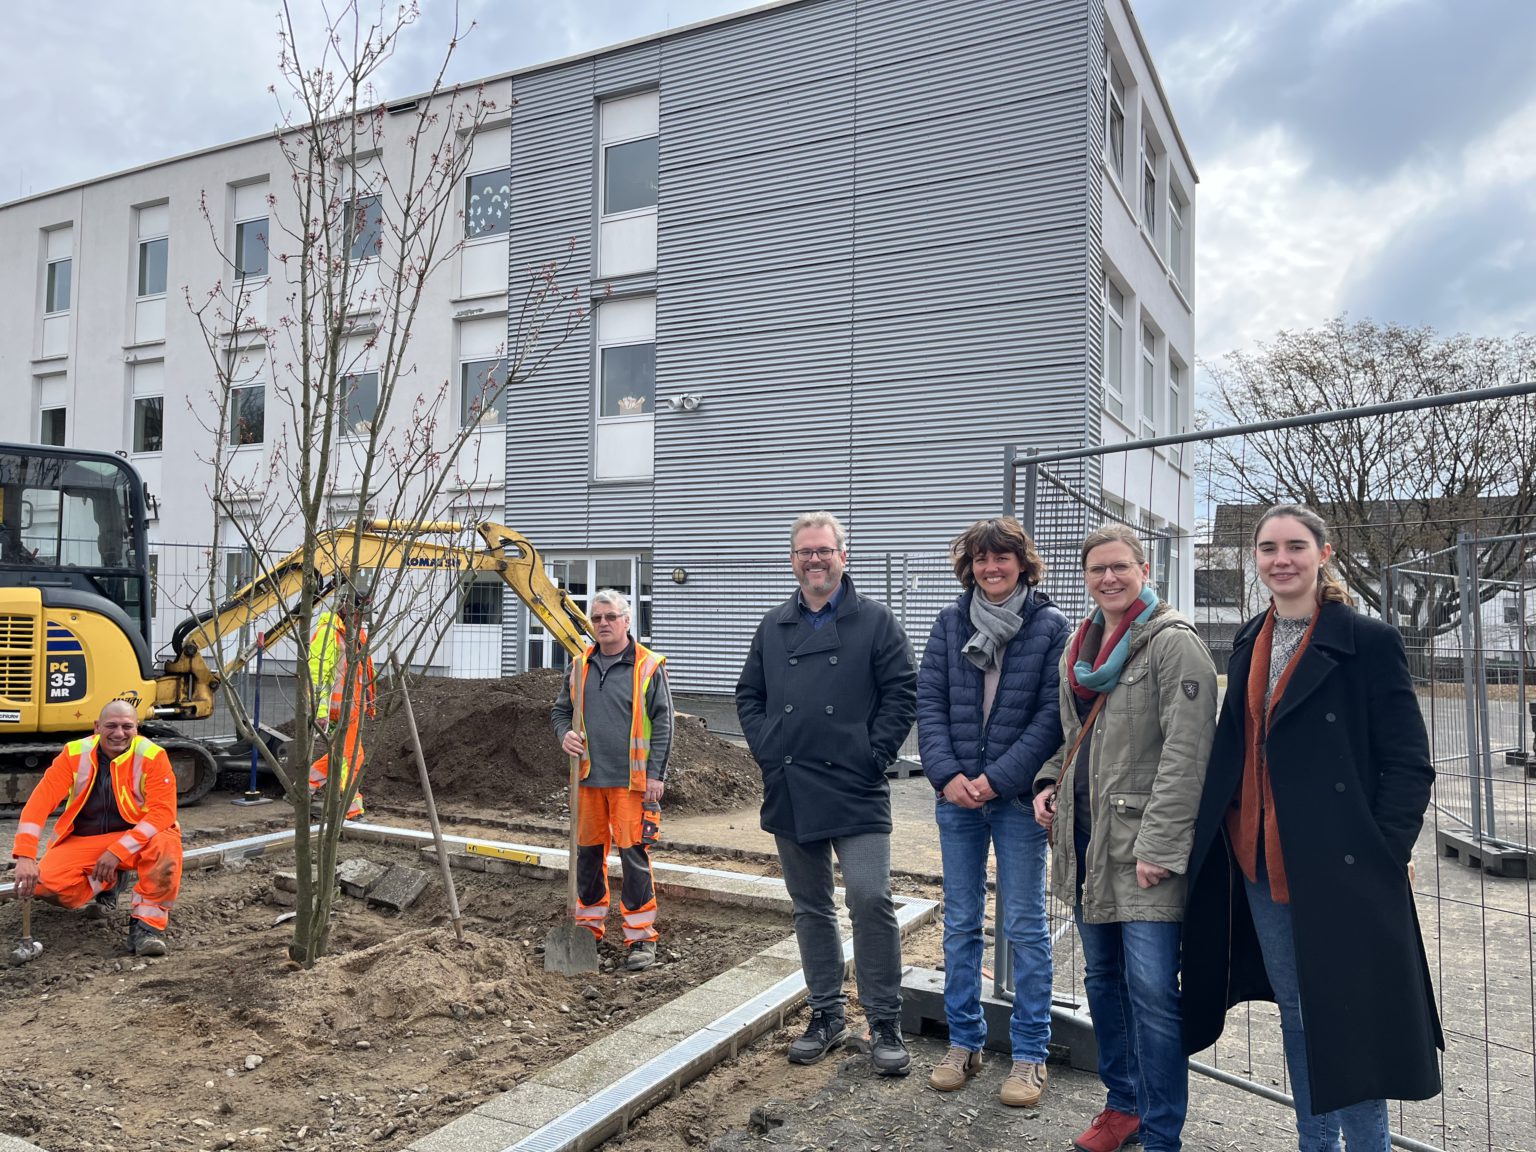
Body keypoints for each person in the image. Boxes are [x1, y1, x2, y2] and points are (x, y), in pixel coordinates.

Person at [1181, 505, 1442, 1150]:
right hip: (1260, 863)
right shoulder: (1247, 640)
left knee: (1348, 1020)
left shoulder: (1368, 642)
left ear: (1323, 554)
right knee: (1299, 1015)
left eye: (1296, 546)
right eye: (1268, 548)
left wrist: (1384, 851)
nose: (1281, 559)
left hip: (1340, 868)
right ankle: (1315, 1144)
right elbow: (1234, 747)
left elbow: (1408, 763)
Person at [1033, 524, 1215, 1152]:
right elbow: (1071, 732)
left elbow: (1188, 754)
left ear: (1143, 569)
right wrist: (1049, 779)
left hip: (1143, 852)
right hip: (1086, 844)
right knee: (1103, 982)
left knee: (1154, 994)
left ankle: (1163, 1131)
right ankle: (1124, 1106)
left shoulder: (1174, 645)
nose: (1108, 578)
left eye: (1119, 566)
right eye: (1096, 569)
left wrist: (1161, 847)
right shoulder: (1080, 649)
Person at [736, 511, 918, 1076]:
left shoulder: (876, 621)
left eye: (824, 551)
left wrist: (874, 752)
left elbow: (902, 693)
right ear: (793, 561)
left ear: (844, 556)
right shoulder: (774, 625)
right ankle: (826, 1014)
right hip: (791, 783)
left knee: (870, 898)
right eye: (804, 553)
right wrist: (771, 746)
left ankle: (883, 1019)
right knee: (811, 907)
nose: (814, 560)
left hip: (857, 784)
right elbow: (749, 694)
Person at [916, 517, 1068, 1106]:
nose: (991, 569)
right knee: (958, 925)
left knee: (1026, 927)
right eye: (981, 560)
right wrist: (948, 775)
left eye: (1002, 559)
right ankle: (965, 1042)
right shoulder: (951, 622)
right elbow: (929, 699)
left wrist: (996, 779)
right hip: (956, 797)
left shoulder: (1051, 627)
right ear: (969, 567)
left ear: (1022, 564)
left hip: (1015, 799)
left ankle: (1030, 1055)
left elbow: (1051, 715)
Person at [551, 588, 673, 972]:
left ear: (626, 621)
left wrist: (656, 775)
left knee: (633, 857)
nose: (603, 624)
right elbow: (560, 712)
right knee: (588, 855)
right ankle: (588, 927)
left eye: (610, 617)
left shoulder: (648, 666)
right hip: (587, 779)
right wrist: (563, 735)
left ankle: (640, 938)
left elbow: (665, 724)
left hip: (631, 782)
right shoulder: (579, 664)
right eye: (597, 618)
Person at [10, 700, 183, 957]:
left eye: (127, 726)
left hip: (139, 839)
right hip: (87, 840)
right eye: (111, 726)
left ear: (137, 728)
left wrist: (117, 852)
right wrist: (25, 856)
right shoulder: (74, 753)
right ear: (96, 727)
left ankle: (146, 929)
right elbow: (39, 804)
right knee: (44, 885)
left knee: (166, 847)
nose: (119, 733)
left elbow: (163, 813)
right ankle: (109, 881)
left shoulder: (152, 756)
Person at [307, 592, 375, 820]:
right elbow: (317, 675)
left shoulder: (354, 634)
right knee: (350, 757)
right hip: (339, 710)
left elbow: (361, 672)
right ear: (346, 609)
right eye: (359, 613)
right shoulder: (329, 634)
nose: (361, 619)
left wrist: (367, 703)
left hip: (353, 709)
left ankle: (303, 788)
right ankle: (351, 809)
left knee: (345, 755)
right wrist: (321, 711)